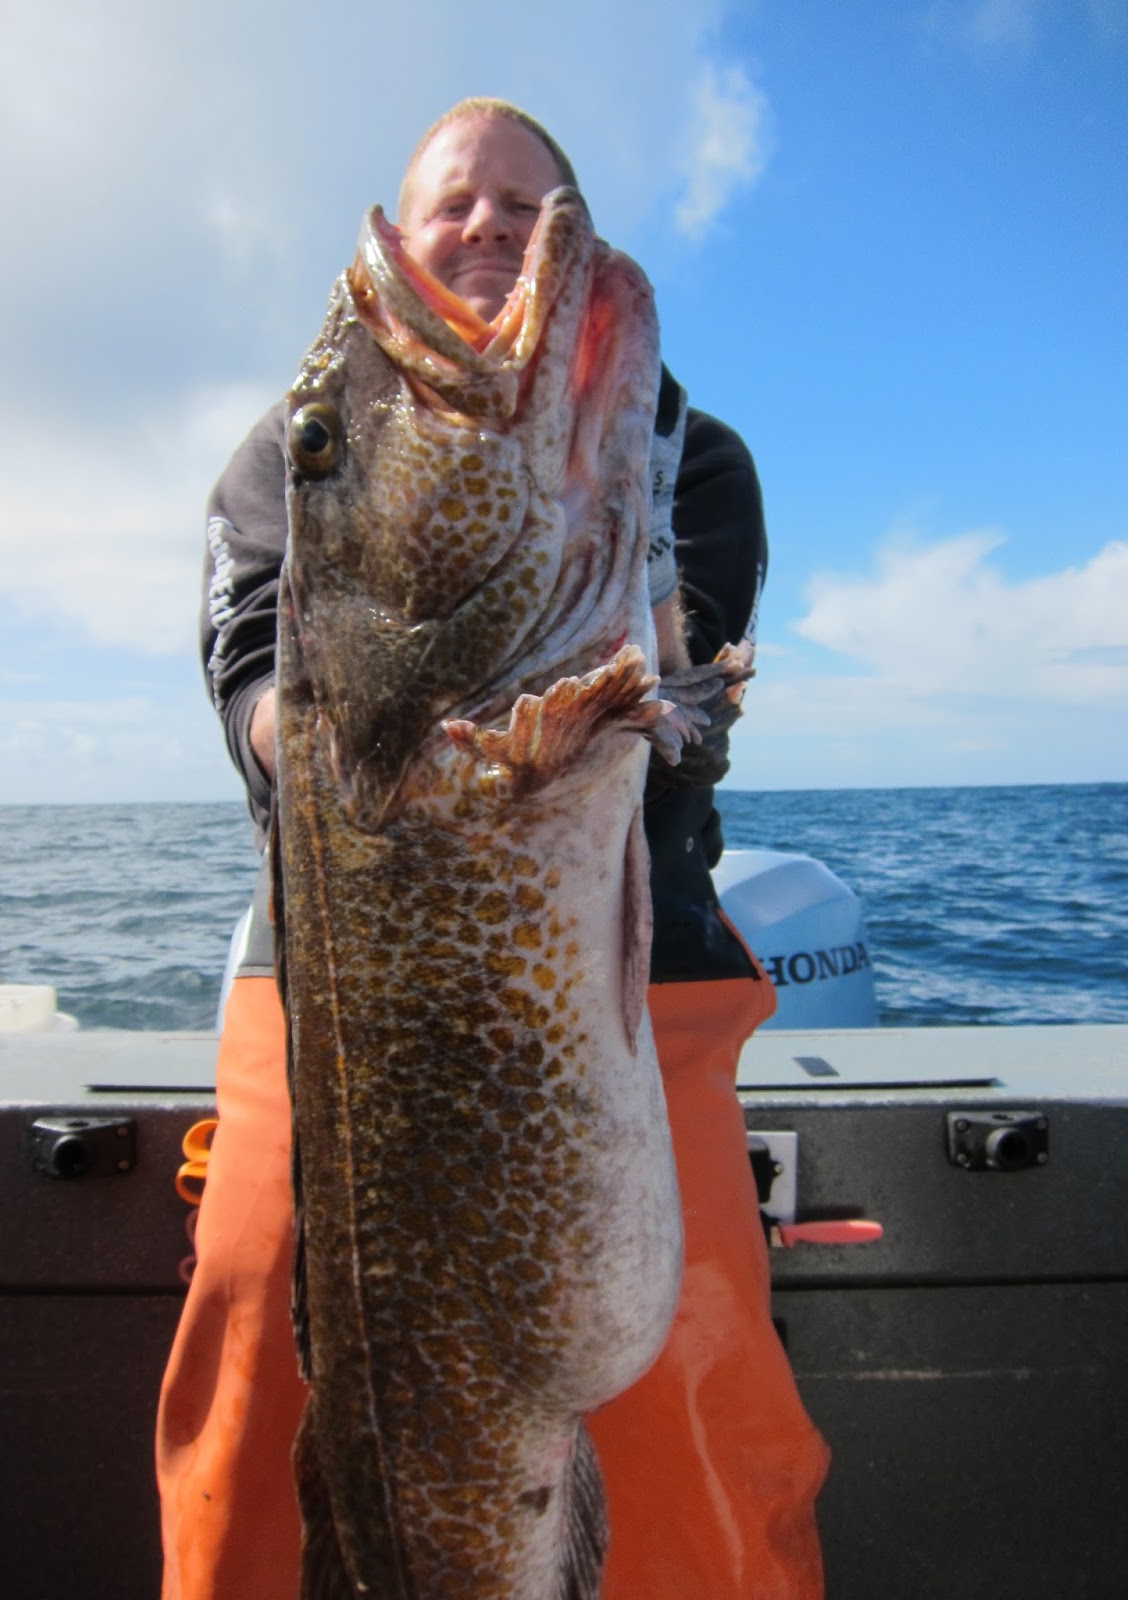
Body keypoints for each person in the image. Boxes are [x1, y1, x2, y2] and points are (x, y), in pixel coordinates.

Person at [158, 98, 829, 1599]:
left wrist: (636, 588)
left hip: (636, 997)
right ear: (399, 235)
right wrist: (372, 752)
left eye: (530, 204)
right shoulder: (301, 450)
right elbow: (253, 670)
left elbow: (689, 701)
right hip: (343, 999)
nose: (489, 224)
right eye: (455, 202)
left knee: (701, 1438)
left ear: (575, 243)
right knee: (264, 1366)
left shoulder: (690, 453)